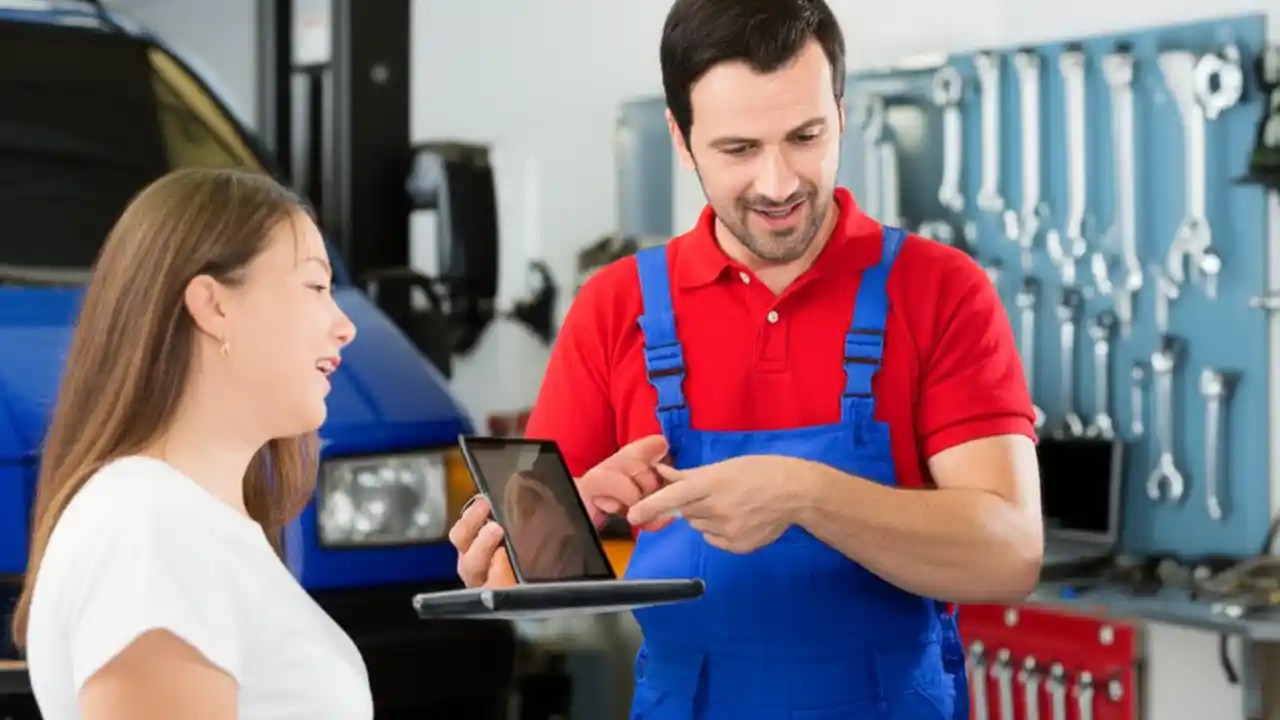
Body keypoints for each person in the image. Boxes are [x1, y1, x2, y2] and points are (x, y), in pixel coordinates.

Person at [449, 0, 1044, 716]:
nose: (778, 183)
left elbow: (1010, 555)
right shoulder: (614, 307)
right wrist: (529, 537)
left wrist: (806, 495)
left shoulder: (940, 291)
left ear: (841, 114)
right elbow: (523, 575)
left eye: (805, 136)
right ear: (682, 138)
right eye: (738, 149)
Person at [11, 168, 372, 720]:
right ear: (214, 305)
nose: (345, 326)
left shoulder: (179, 523)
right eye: (315, 287)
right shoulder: (150, 530)